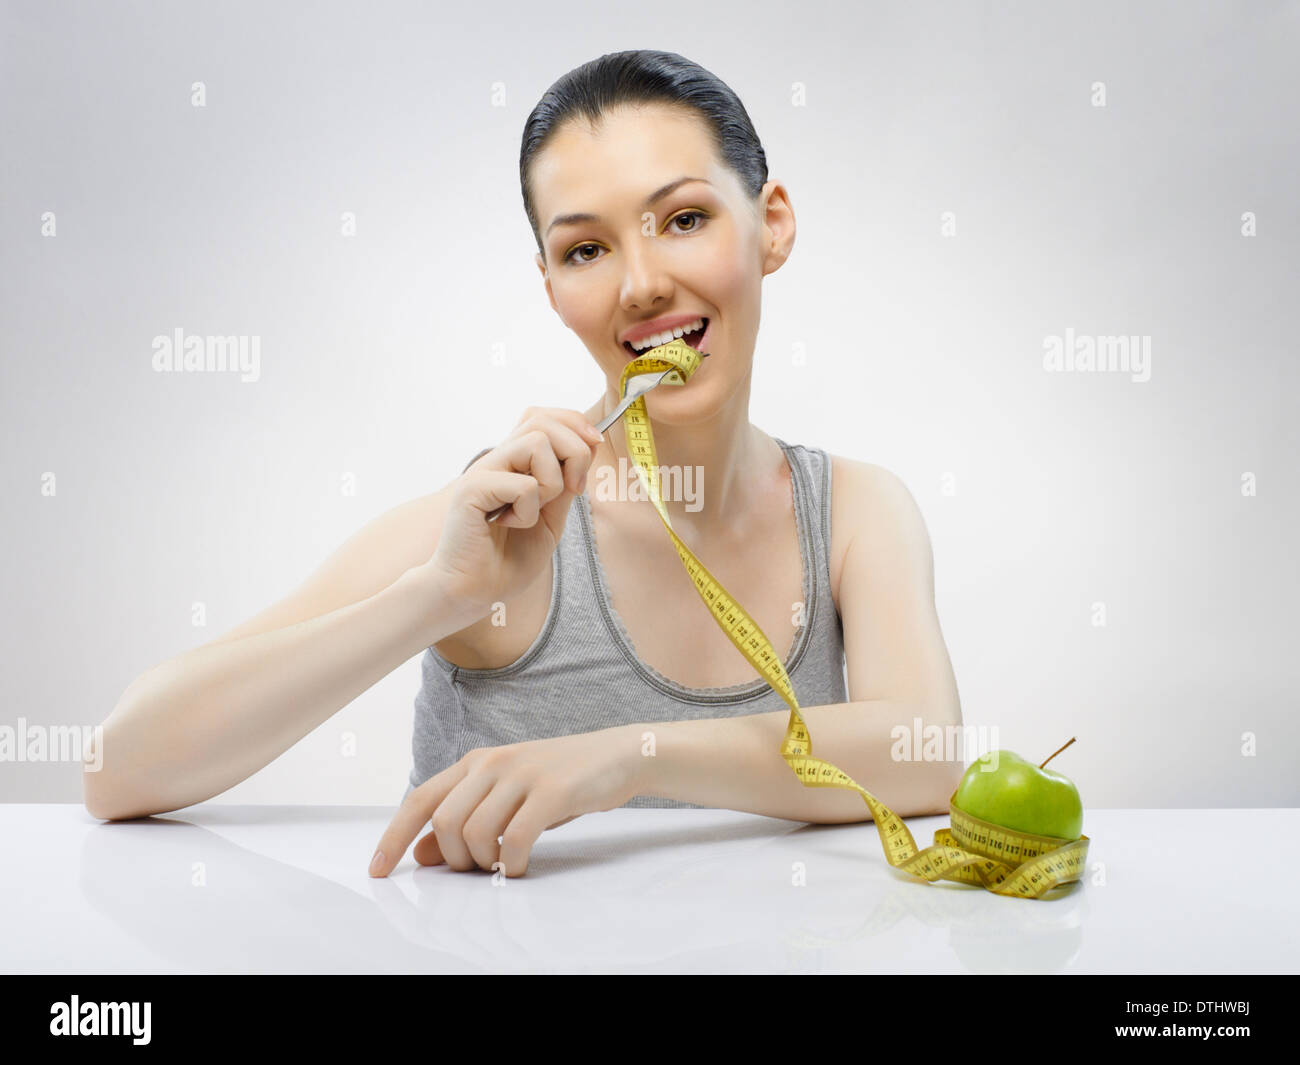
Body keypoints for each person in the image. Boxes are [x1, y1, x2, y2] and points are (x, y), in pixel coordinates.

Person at [85, 50, 963, 881]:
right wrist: (439, 596)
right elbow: (117, 768)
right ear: (550, 284)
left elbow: (924, 748)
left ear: (772, 224)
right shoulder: (500, 525)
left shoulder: (855, 511)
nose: (642, 285)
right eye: (587, 249)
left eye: (685, 219)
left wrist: (623, 757)